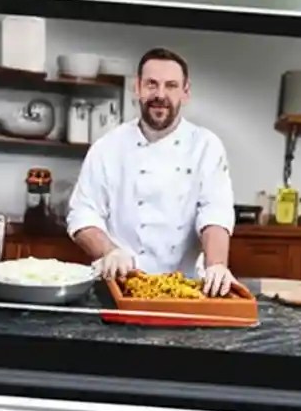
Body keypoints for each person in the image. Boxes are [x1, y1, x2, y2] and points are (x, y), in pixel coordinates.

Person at [65, 47, 237, 296]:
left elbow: (215, 212)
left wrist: (217, 265)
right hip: (120, 283)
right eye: (151, 84)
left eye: (171, 86)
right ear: (137, 88)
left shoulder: (206, 146)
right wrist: (109, 251)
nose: (160, 94)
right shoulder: (108, 147)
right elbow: (83, 213)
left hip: (184, 289)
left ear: (185, 92)